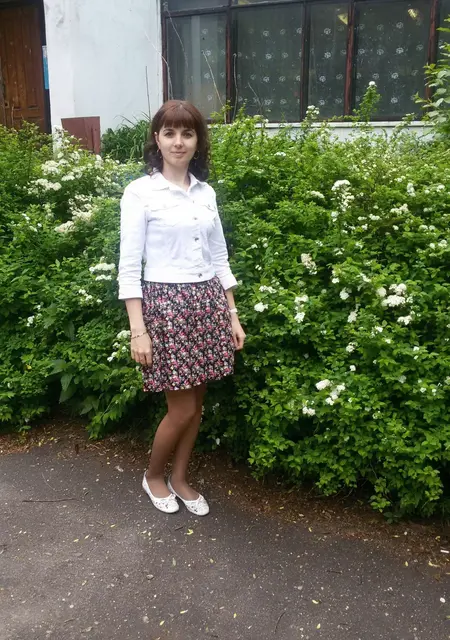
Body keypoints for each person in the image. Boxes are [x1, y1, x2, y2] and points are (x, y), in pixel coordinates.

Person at [118, 100, 246, 516]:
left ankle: (180, 478)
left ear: (197, 141)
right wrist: (139, 330)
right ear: (157, 139)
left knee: (198, 403)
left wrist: (232, 315)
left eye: (187, 133)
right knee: (182, 407)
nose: (178, 142)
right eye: (170, 133)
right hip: (166, 306)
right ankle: (154, 475)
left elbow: (219, 257)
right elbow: (128, 268)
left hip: (208, 302)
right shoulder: (140, 193)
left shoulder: (206, 193)